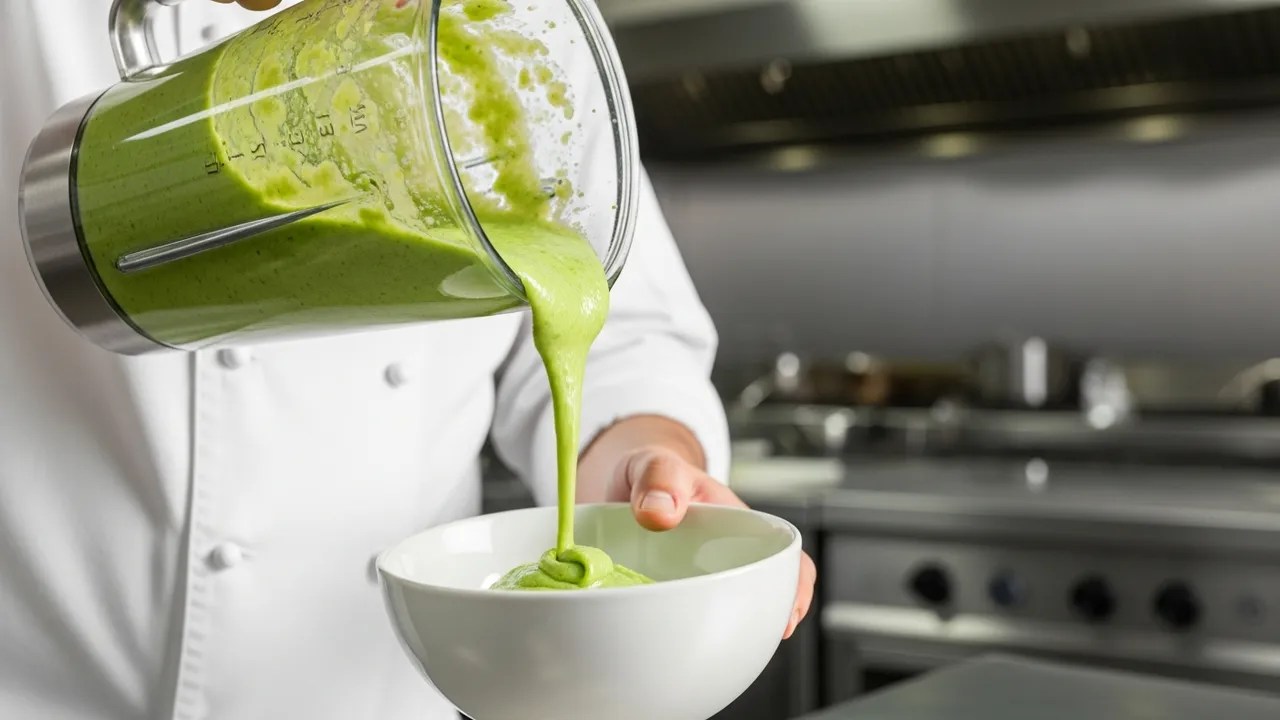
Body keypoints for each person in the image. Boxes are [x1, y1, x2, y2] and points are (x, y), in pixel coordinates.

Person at [0, 1, 816, 718]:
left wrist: (645, 462)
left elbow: (615, 324)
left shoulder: (517, 27)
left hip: (373, 690)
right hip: (49, 683)